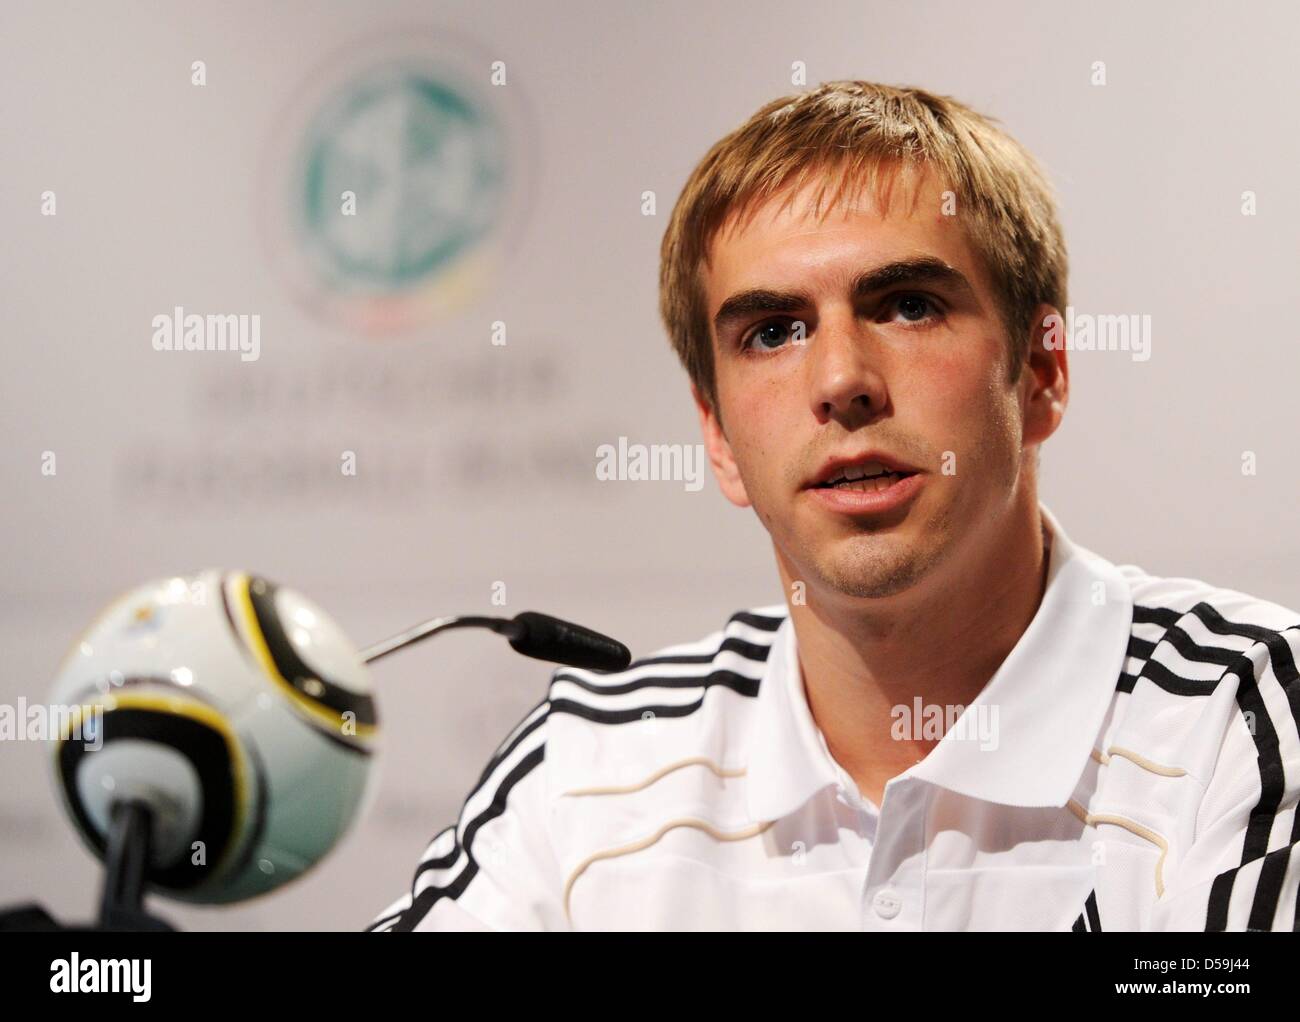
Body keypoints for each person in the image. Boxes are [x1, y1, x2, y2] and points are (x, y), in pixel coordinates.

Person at [369, 81, 1300, 931]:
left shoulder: (1239, 716)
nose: (842, 381)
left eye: (905, 305)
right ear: (720, 437)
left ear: (1043, 372)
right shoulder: (587, 765)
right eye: (773, 331)